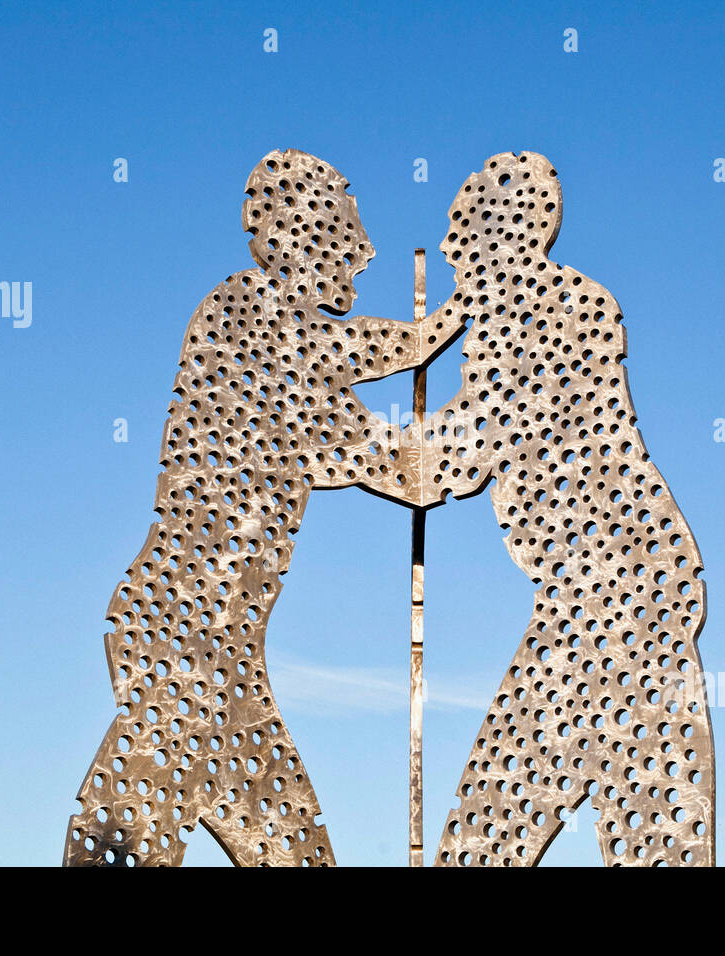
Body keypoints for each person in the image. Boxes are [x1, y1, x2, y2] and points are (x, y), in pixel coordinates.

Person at [63, 149, 466, 866]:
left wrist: (444, 327)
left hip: (223, 659)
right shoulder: (251, 326)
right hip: (184, 642)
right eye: (348, 231)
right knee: (122, 833)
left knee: (284, 848)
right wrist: (485, 418)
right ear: (308, 236)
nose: (366, 252)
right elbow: (397, 461)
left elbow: (374, 349)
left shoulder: (270, 325)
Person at [386, 151, 716, 866]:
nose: (447, 250)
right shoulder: (536, 313)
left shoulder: (543, 315)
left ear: (502, 234)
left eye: (460, 230)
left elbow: (459, 449)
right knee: (628, 835)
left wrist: (338, 443)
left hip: (613, 603)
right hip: (610, 598)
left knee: (493, 832)